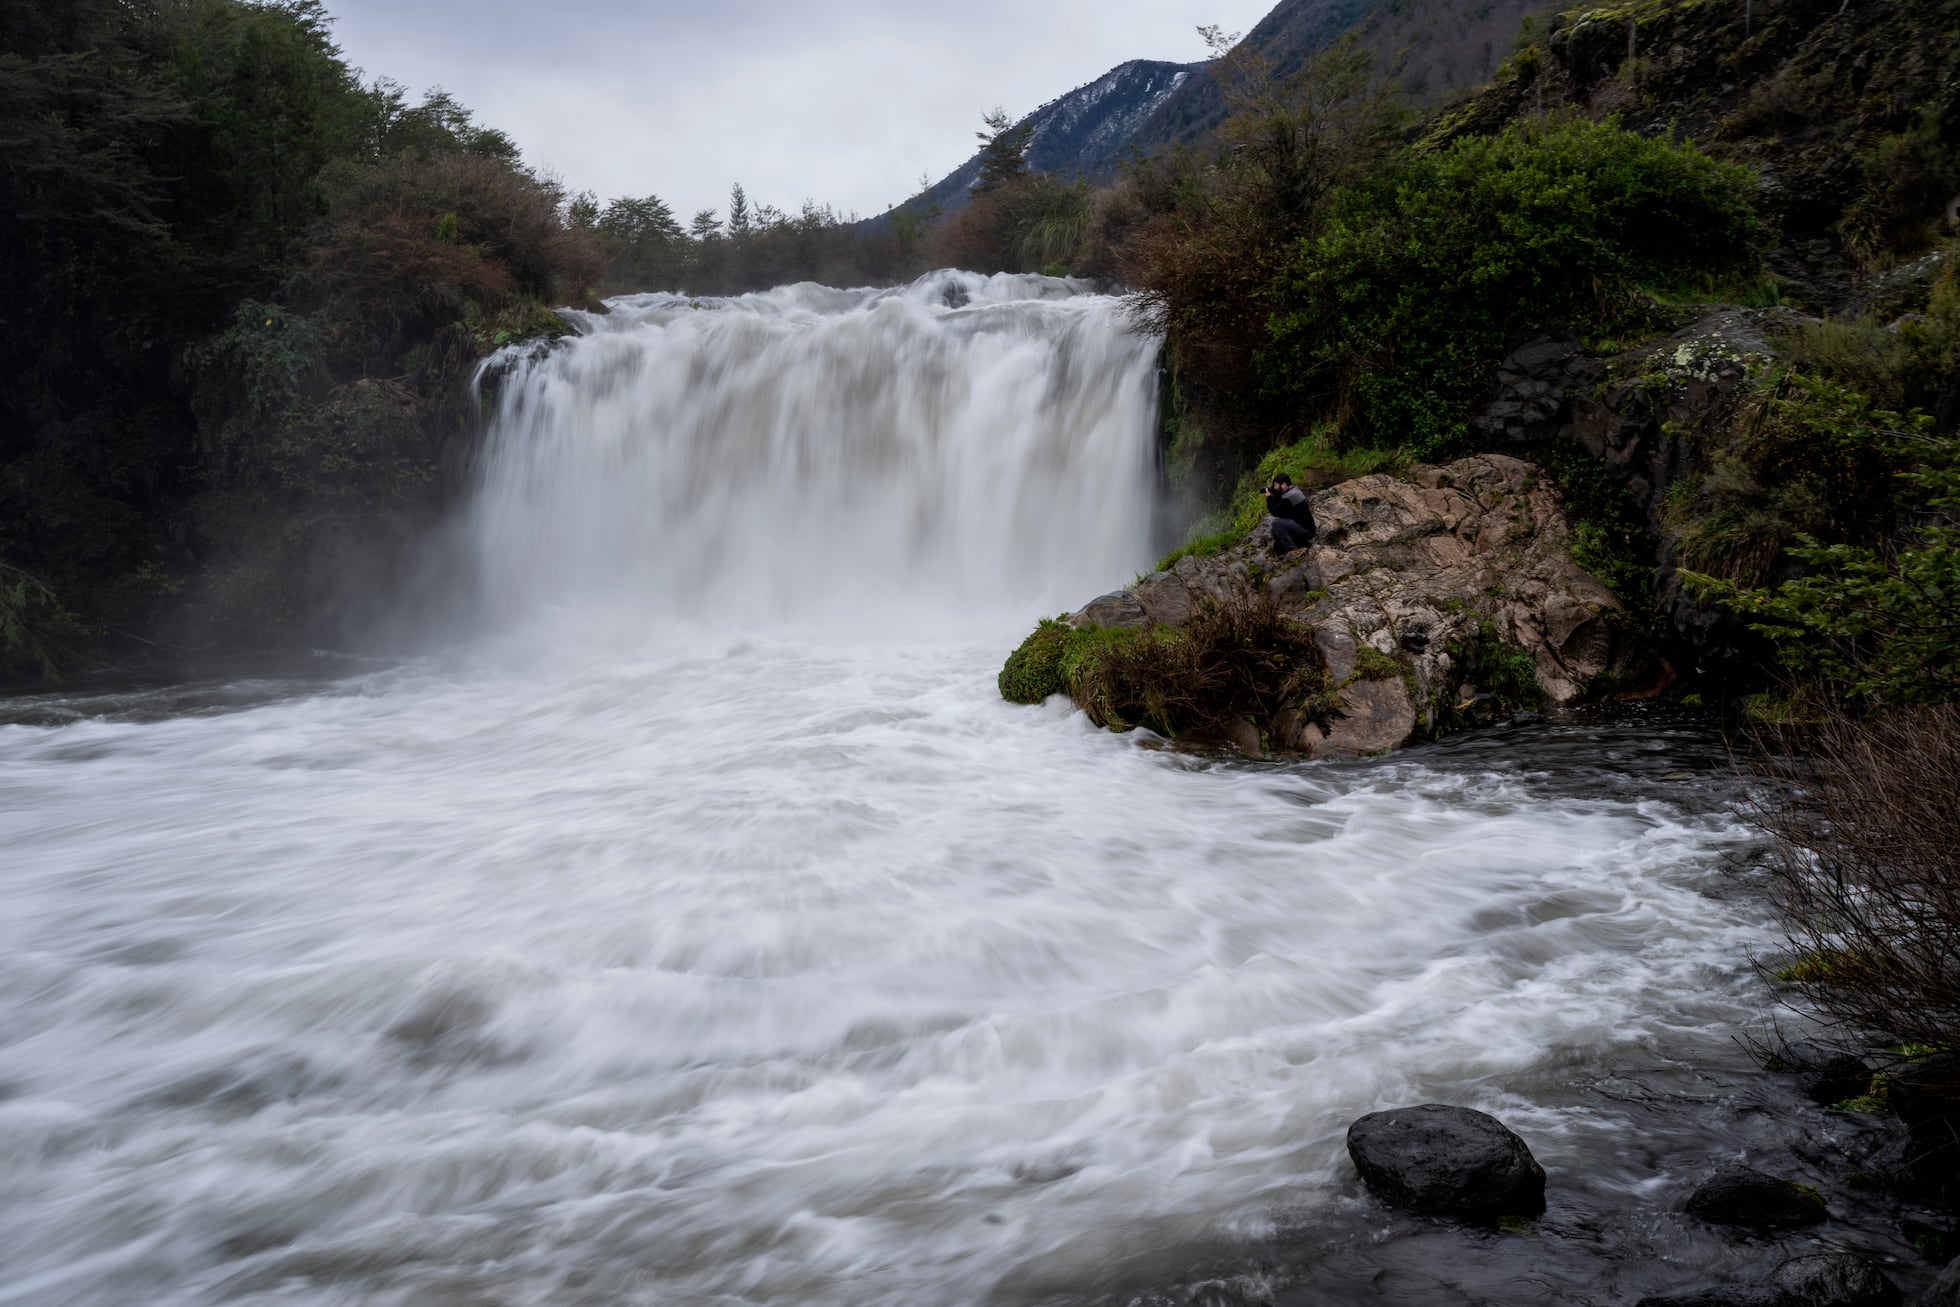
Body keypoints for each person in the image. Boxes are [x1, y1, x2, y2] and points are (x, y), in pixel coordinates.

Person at [1264, 472, 1316, 556]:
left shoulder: (1289, 496)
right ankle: (1299, 544)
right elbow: (1283, 512)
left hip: (1306, 531)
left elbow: (1275, 512)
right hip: (1304, 526)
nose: (1274, 487)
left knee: (1276, 523)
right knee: (1275, 530)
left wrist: (1269, 498)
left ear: (1283, 484)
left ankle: (1292, 549)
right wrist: (1275, 495)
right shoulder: (1293, 490)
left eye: (1276, 485)